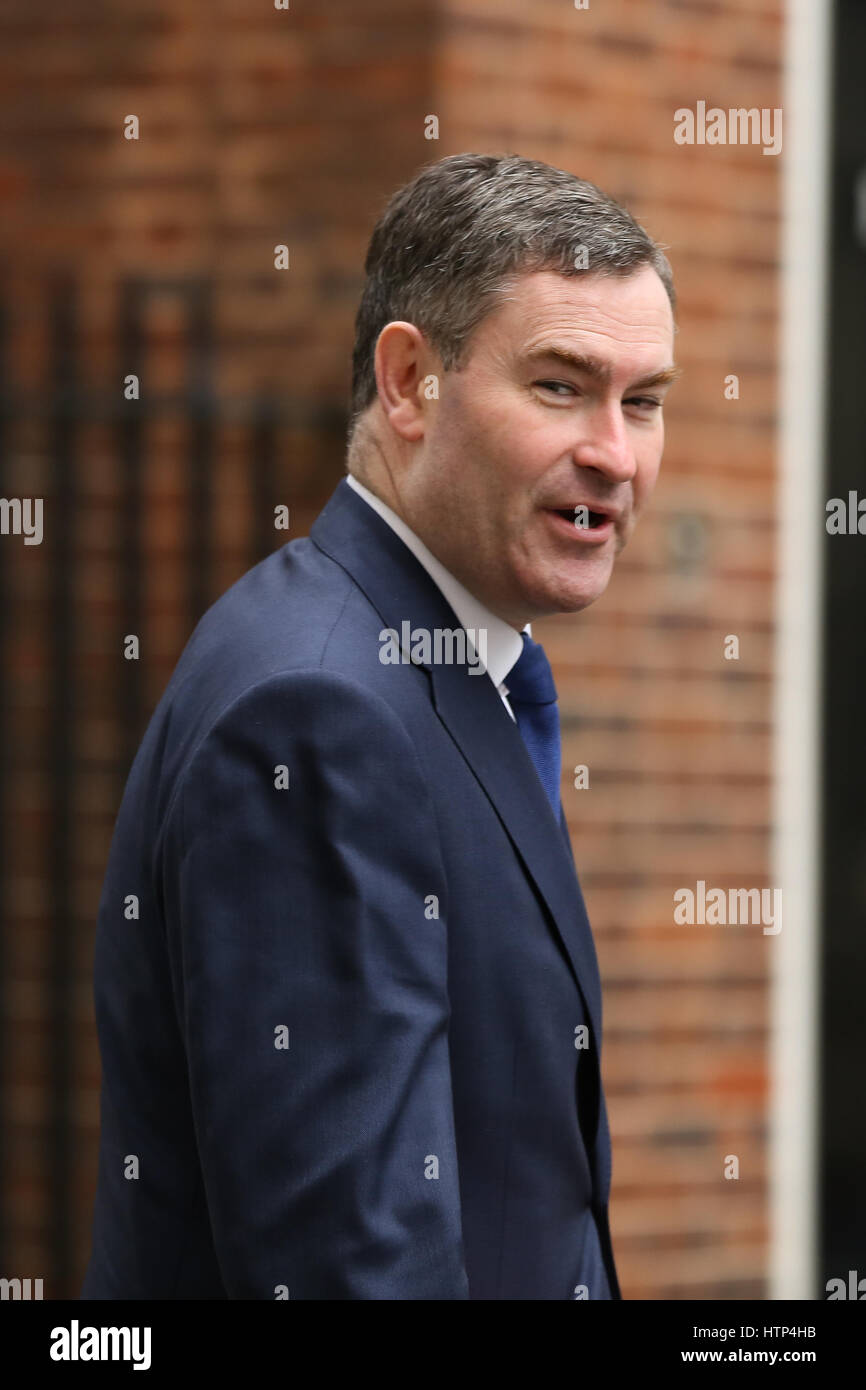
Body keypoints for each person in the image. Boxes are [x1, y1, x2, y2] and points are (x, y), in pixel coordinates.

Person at [81, 151, 678, 1300]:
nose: (615, 452)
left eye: (642, 401)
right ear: (408, 382)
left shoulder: (431, 663)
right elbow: (356, 1269)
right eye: (560, 385)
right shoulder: (317, 713)